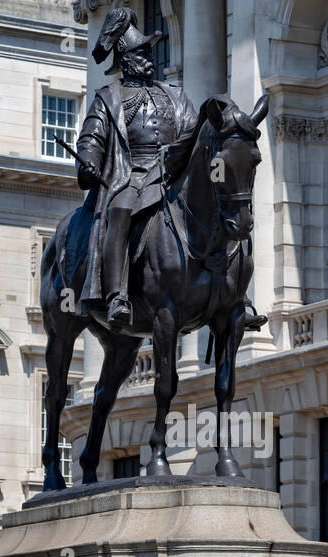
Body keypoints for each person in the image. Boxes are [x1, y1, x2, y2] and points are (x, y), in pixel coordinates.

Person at [75, 8, 196, 330]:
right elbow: (92, 137)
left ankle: (234, 293)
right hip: (132, 173)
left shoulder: (174, 95)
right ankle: (117, 295)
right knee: (121, 210)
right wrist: (87, 160)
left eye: (148, 52)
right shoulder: (109, 98)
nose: (149, 57)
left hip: (173, 170)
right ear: (126, 58)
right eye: (142, 52)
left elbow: (192, 130)